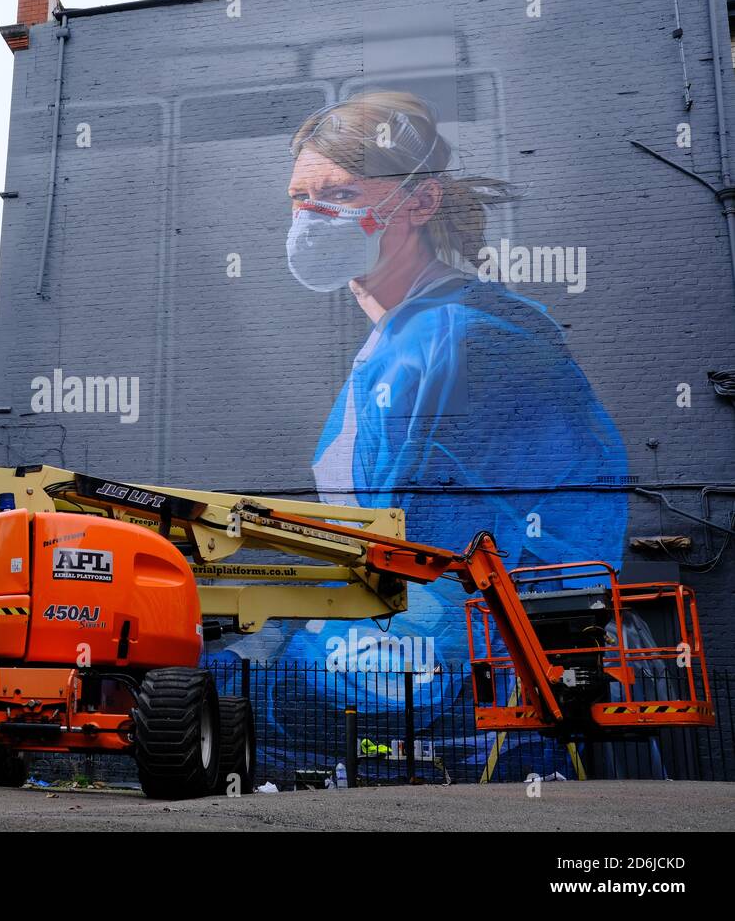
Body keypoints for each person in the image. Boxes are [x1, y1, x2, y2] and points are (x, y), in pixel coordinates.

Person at [215, 90, 628, 780]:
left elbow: (421, 570)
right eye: (300, 198)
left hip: (464, 659)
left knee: (220, 679)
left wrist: (267, 642)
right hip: (449, 642)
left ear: (421, 203)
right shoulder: (408, 336)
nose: (312, 218)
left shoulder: (455, 340)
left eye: (341, 194)